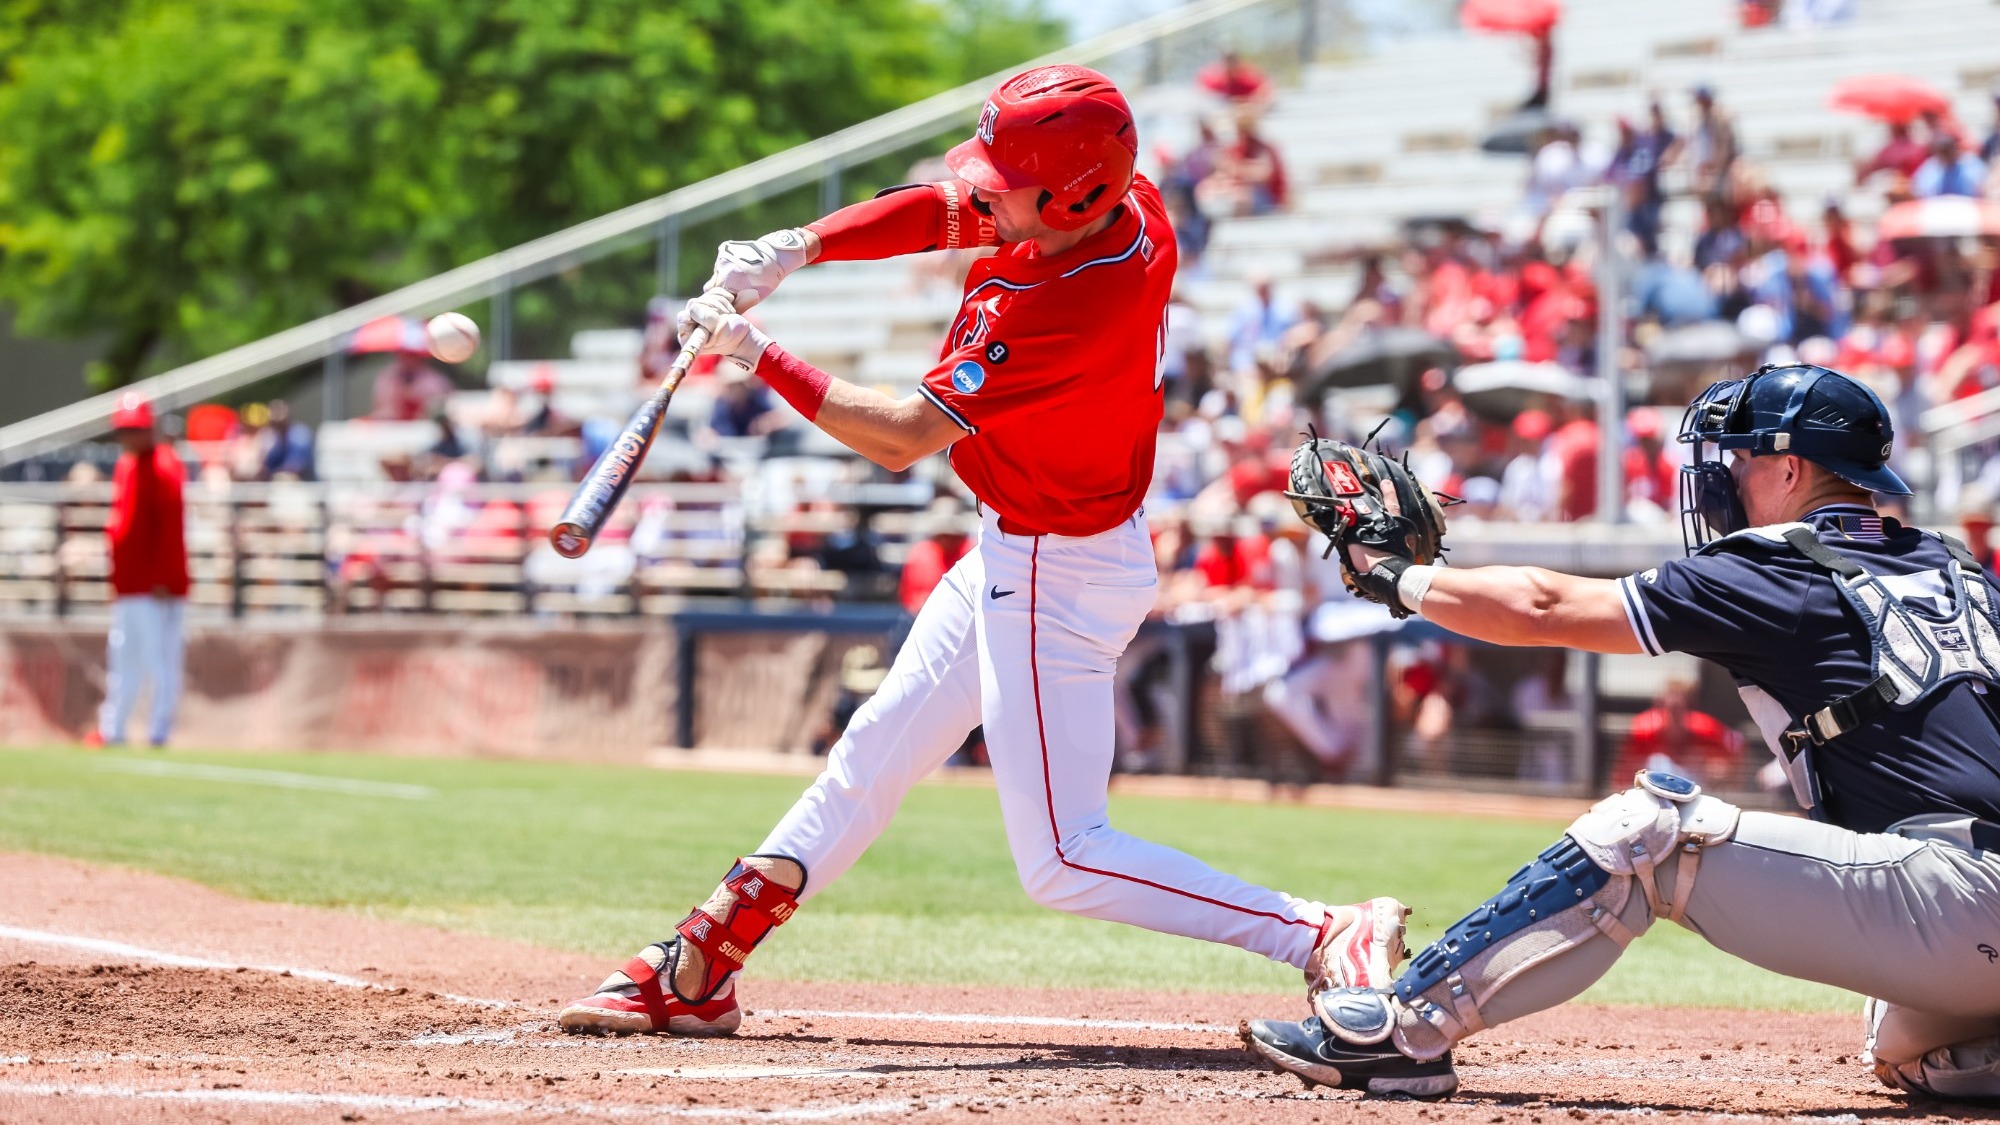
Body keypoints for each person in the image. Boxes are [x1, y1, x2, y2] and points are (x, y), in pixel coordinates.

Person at [557, 65, 1396, 1039]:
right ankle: (699, 962)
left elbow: (904, 434)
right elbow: (946, 211)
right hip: (1025, 547)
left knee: (1062, 860)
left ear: (1073, 190)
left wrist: (754, 352)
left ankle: (1321, 931)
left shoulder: (1056, 303)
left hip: (1056, 569)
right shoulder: (1126, 206)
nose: (986, 195)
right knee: (873, 753)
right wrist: (799, 246)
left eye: (1010, 183)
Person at [1243, 364, 2000, 1104]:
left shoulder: (1777, 567)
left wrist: (1391, 573)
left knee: (1650, 835)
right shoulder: (1962, 570)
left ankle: (1397, 1030)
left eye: (1742, 456)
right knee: (1909, 1040)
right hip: (1962, 910)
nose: (1729, 474)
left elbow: (1542, 605)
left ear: (1792, 468)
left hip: (1962, 896)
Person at [93, 393, 189, 749]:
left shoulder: (166, 466)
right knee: (122, 661)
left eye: (135, 429)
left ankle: (159, 732)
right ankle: (113, 729)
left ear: (151, 428)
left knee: (160, 662)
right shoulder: (126, 466)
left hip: (157, 587)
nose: (129, 437)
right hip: (129, 585)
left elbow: (169, 529)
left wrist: (164, 577)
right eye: (124, 431)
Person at [1611, 678, 1744, 786]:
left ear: (1689, 707)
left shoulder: (1705, 728)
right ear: (1660, 706)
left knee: (1696, 757)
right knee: (1659, 761)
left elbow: (1738, 745)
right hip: (1653, 791)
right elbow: (1622, 774)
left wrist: (1724, 770)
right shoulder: (1644, 730)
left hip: (1696, 787)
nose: (1674, 714)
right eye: (1669, 707)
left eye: (1679, 707)